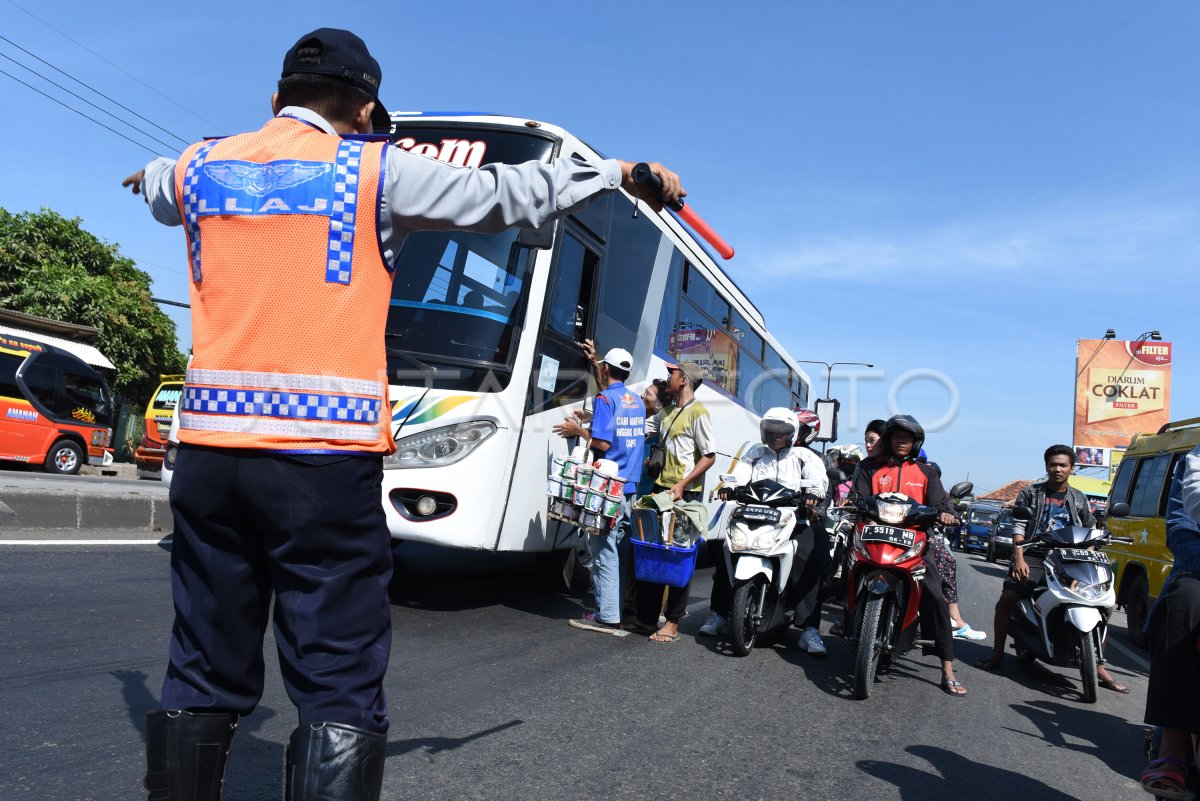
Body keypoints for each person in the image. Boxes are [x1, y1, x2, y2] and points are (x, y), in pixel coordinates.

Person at [123, 27, 684, 801]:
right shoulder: (373, 171)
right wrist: (619, 172)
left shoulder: (197, 166)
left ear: (275, 97)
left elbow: (153, 183)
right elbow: (506, 194)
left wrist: (149, 175)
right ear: (363, 107)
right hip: (321, 464)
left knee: (202, 659)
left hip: (210, 457)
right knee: (335, 671)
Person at [976, 445, 1127, 692]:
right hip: (1034, 553)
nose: (1058, 469)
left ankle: (1098, 666)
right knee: (1008, 597)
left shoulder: (1078, 497)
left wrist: (1090, 554)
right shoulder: (1031, 493)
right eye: (1053, 465)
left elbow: (1090, 529)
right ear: (1046, 466)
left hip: (1069, 556)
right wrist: (1019, 558)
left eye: (1063, 465)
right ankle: (997, 655)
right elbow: (1019, 526)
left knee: (1102, 602)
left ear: (1071, 468)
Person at [853, 414, 967, 696]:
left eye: (907, 437)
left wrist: (948, 515)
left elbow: (942, 504)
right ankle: (840, 623)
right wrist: (850, 502)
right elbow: (857, 496)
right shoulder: (870, 468)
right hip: (875, 536)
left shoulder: (926, 473)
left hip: (913, 541)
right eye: (896, 436)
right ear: (889, 440)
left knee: (936, 596)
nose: (901, 441)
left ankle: (947, 667)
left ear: (916, 442)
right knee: (842, 571)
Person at [697, 408, 828, 650]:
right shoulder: (755, 453)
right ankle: (719, 615)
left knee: (807, 562)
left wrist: (813, 493)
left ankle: (810, 630)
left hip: (793, 519)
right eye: (772, 431)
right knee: (728, 552)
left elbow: (817, 479)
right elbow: (739, 475)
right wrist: (728, 487)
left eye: (782, 432)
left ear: (793, 433)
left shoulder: (804, 456)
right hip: (752, 514)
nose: (777, 436)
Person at [554, 346, 646, 633]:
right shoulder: (636, 401)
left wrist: (579, 431)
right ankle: (614, 609)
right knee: (617, 549)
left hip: (609, 488)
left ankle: (606, 616)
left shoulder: (606, 399)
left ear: (607, 369)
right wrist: (596, 363)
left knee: (603, 549)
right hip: (630, 486)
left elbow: (603, 444)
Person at [632, 361, 715, 643]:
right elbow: (639, 429)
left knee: (678, 555)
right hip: (660, 490)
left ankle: (672, 622)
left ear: (684, 381)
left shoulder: (699, 413)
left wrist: (682, 483)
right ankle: (645, 618)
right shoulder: (667, 413)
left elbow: (709, 455)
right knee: (653, 550)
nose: (668, 377)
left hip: (684, 495)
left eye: (673, 373)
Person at [1141, 446, 1200, 798]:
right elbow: (1181, 527)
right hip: (1199, 569)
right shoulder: (1196, 459)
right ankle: (1174, 749)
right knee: (1185, 600)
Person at [922, 460, 986, 641]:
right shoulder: (903, 485)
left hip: (924, 538)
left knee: (946, 560)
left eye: (930, 474)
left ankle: (955, 619)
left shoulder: (940, 495)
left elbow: (953, 515)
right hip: (893, 535)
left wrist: (949, 518)